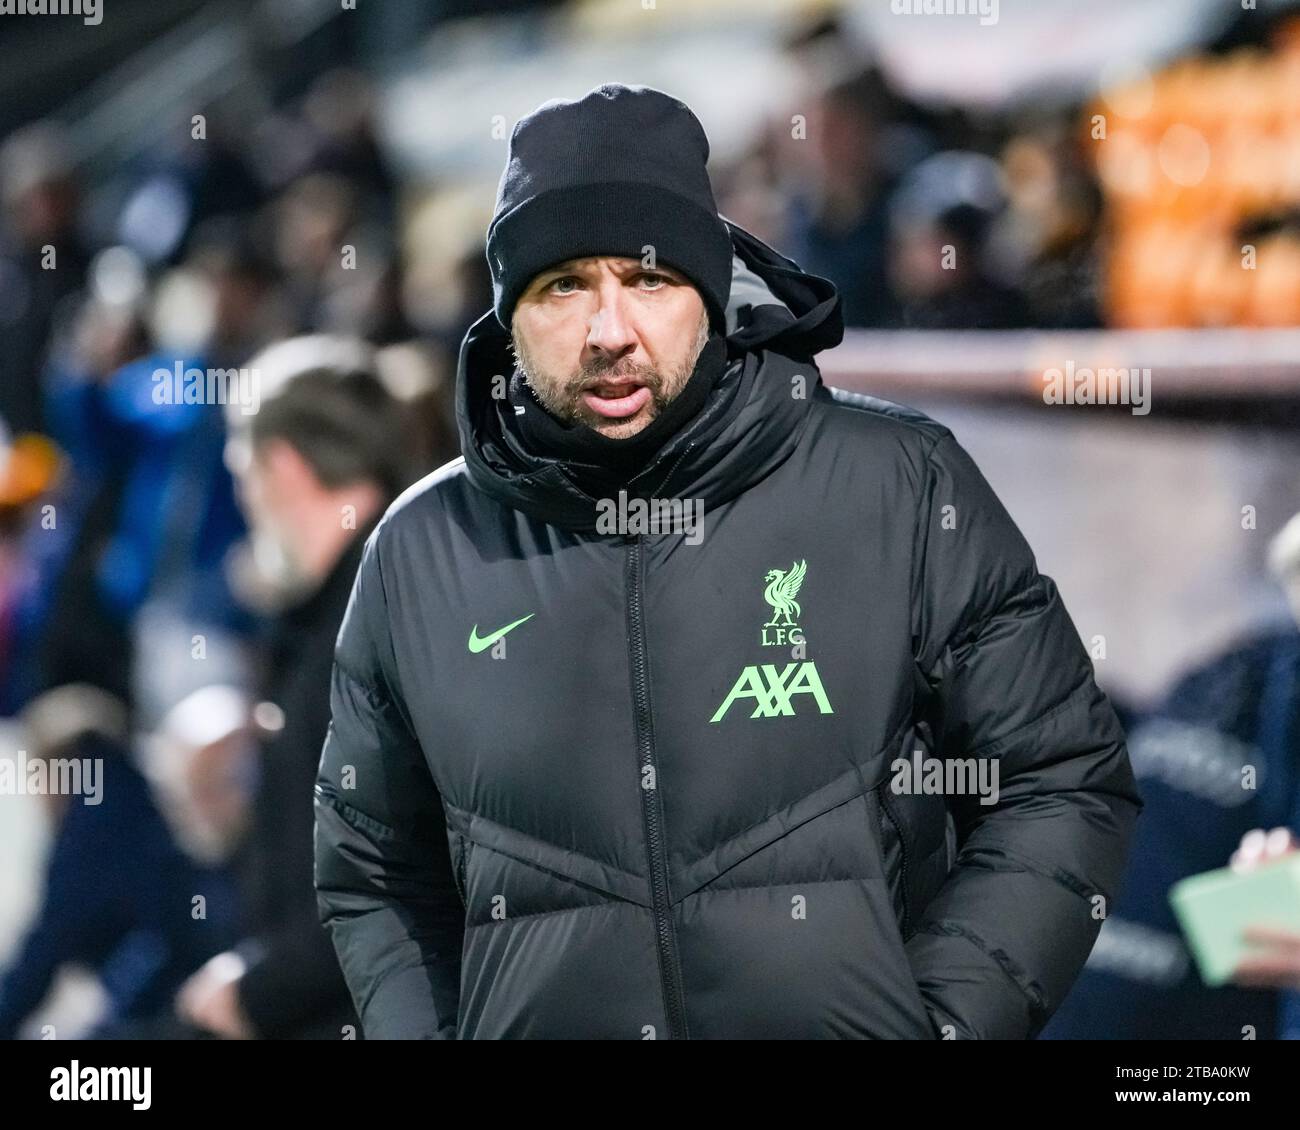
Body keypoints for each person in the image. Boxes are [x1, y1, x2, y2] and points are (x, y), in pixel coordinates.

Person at [314, 83, 1141, 1040]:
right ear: (507, 319)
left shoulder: (898, 484)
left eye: (650, 280)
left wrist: (945, 1022)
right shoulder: (420, 553)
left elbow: (1060, 777)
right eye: (563, 286)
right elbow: (372, 871)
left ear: (711, 290)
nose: (609, 331)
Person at [174, 337, 414, 1039]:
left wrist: (256, 993)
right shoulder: (384, 596)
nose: (245, 501)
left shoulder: (364, 629)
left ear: (281, 465)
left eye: (243, 474)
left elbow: (388, 877)